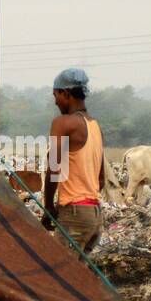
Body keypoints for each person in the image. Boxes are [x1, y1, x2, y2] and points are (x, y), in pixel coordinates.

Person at [44, 67, 105, 253]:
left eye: (56, 95)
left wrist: (48, 207)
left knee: (59, 275)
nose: (55, 102)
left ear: (66, 93)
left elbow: (54, 169)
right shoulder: (95, 126)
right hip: (95, 216)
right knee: (78, 276)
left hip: (74, 215)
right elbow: (100, 180)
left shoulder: (63, 123)